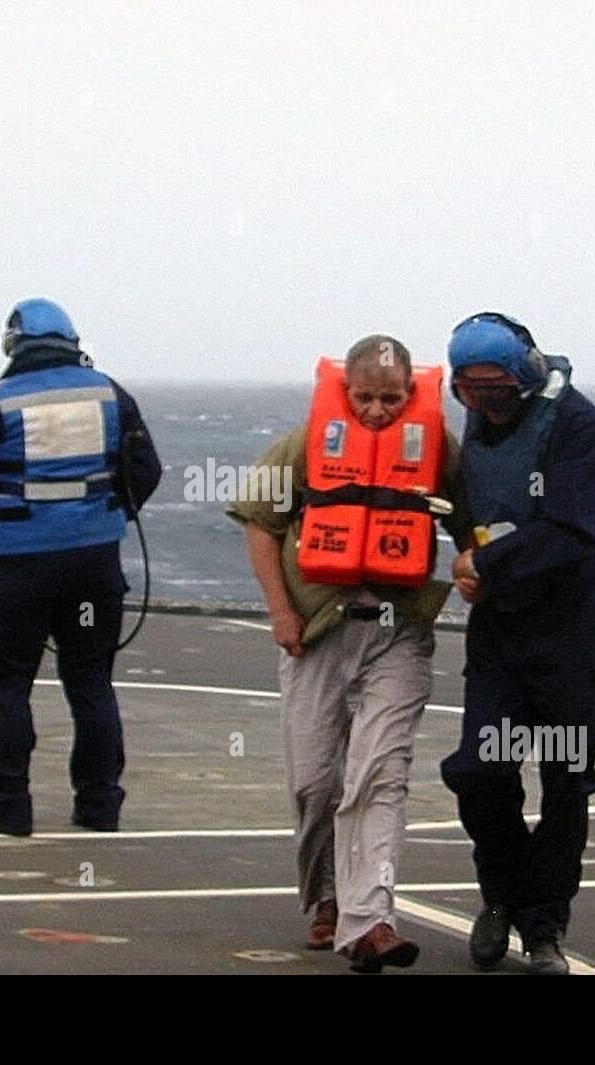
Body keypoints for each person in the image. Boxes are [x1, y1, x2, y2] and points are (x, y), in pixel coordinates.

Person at [228, 335, 473, 973]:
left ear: (411, 394)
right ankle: (327, 900)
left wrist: (478, 558)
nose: (376, 412)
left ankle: (373, 920)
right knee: (317, 783)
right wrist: (281, 610)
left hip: (398, 632)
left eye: (391, 399)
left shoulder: (435, 445)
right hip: (315, 631)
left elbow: (471, 520)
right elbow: (261, 523)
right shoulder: (307, 440)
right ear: (346, 389)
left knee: (380, 776)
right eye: (364, 397)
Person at [439, 312, 595, 975]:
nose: (484, 405)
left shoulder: (578, 426)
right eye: (469, 393)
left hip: (572, 629)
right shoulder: (478, 425)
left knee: (566, 779)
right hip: (501, 628)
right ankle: (501, 893)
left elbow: (576, 527)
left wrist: (487, 568)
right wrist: (463, 551)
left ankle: (543, 927)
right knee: (478, 768)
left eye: (494, 391)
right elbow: (471, 504)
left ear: (524, 377)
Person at [0, 297, 161, 836]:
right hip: (94, 569)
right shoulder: (111, 394)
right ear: (72, 342)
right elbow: (148, 468)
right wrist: (110, 514)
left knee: (4, 683)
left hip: (19, 572)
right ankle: (100, 806)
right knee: (90, 682)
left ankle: (10, 806)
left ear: (13, 344)